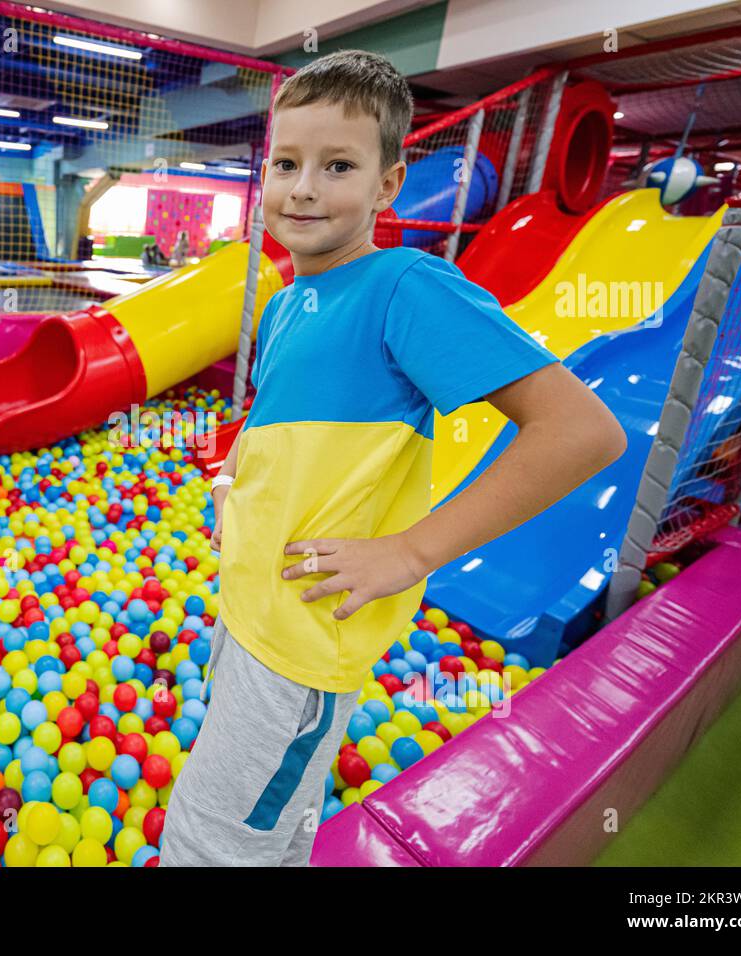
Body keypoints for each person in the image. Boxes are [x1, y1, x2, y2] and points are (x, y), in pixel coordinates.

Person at [157, 49, 627, 867]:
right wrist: (239, 480)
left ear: (389, 184)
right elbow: (288, 425)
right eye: (287, 164)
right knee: (273, 831)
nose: (302, 187)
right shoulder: (287, 299)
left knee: (210, 843)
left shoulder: (404, 287)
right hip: (253, 613)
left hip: (298, 648)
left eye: (337, 165)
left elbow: (582, 431)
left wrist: (411, 552)